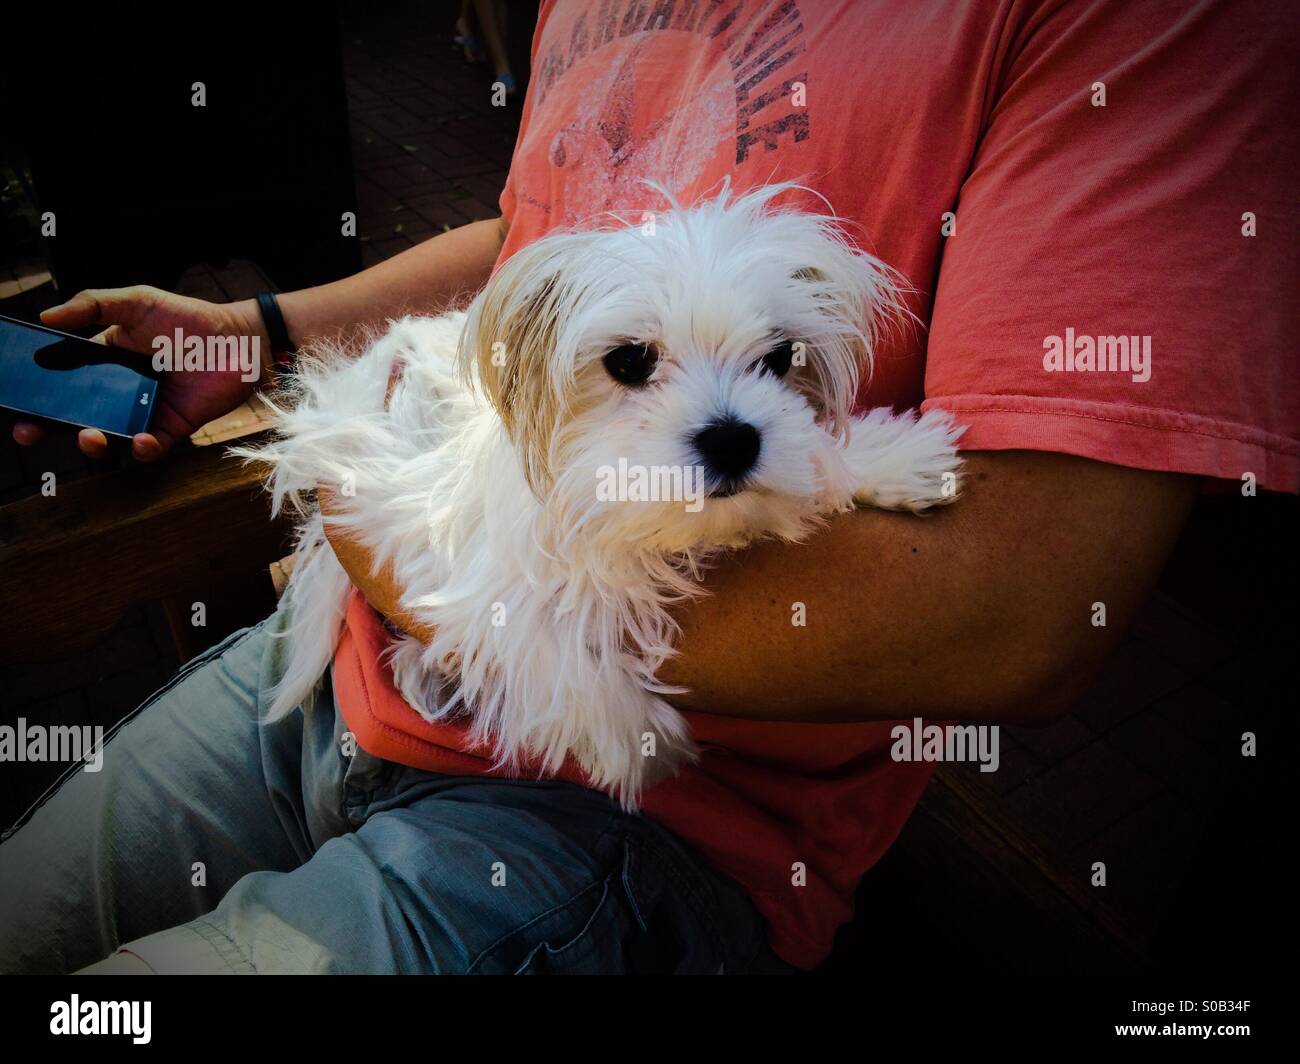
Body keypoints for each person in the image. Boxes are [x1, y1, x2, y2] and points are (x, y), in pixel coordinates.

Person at [1, 0, 1294, 974]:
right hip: (332, 660)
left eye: (778, 361)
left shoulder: (1159, 30)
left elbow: (1022, 607)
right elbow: (531, 250)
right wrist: (262, 332)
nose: (733, 413)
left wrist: (401, 546)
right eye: (638, 362)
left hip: (621, 820)